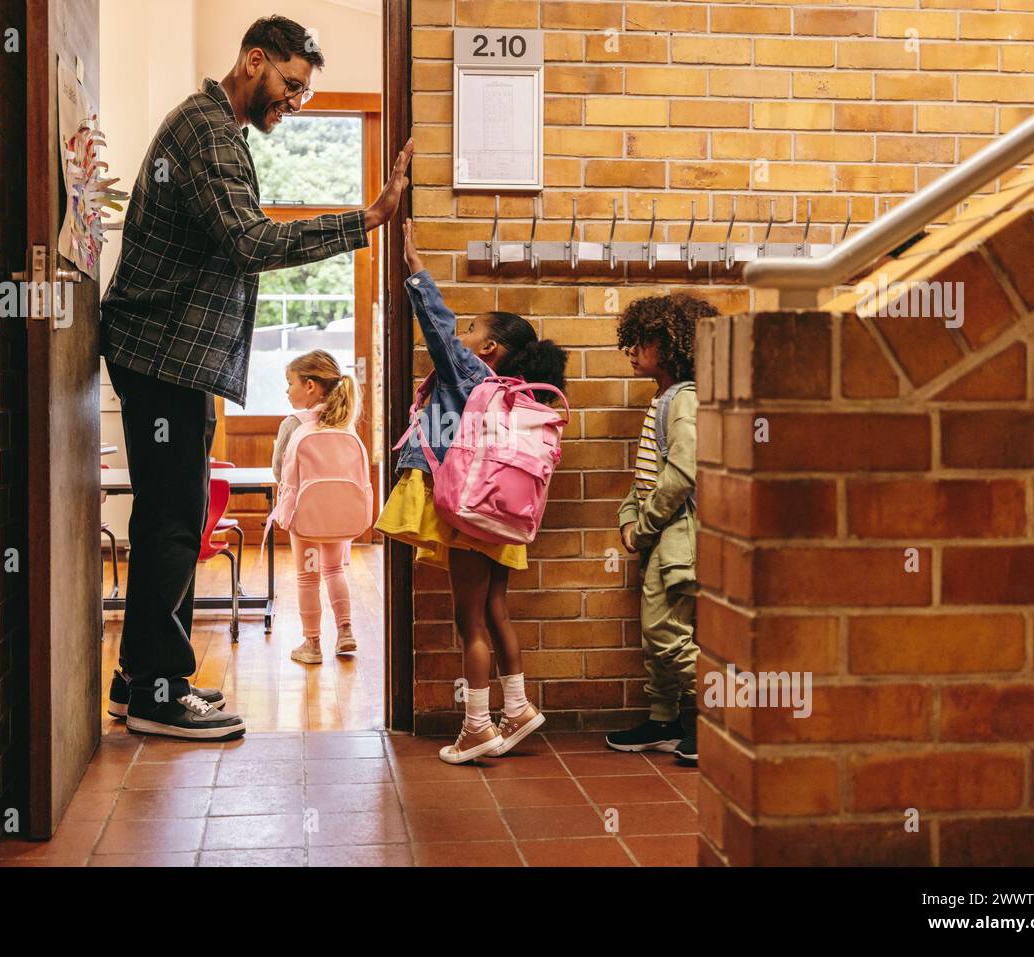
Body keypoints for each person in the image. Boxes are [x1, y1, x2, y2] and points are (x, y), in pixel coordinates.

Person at [100, 14, 413, 740]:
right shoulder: (208, 132)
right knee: (173, 519)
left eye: (303, 95)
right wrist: (365, 219)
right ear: (253, 60)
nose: (293, 103)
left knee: (175, 514)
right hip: (162, 354)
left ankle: (146, 675)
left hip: (177, 358)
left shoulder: (220, 132)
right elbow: (249, 240)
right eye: (290, 87)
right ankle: (153, 691)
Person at [375, 220, 568, 764]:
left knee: (469, 620)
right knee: (497, 610)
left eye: (471, 334)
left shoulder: (473, 376)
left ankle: (478, 727)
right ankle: (519, 706)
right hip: (506, 513)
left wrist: (414, 266)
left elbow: (436, 325)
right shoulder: (520, 396)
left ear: (490, 347)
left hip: (473, 510)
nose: (460, 340)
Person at [606, 292, 716, 765]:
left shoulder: (685, 399)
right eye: (630, 342)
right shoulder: (665, 399)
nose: (632, 351)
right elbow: (646, 477)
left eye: (643, 342)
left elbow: (684, 472)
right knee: (656, 637)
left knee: (665, 632)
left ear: (673, 346)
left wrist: (646, 525)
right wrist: (629, 517)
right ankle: (663, 720)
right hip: (660, 531)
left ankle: (728, 723)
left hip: (677, 534)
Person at [271, 350, 361, 665]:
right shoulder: (344, 422)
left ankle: (312, 644)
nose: (287, 390)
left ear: (310, 386)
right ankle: (345, 630)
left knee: (308, 576)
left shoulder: (294, 423)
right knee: (335, 570)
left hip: (306, 516)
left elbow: (278, 470)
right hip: (340, 515)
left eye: (290, 383)